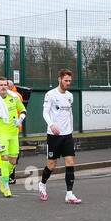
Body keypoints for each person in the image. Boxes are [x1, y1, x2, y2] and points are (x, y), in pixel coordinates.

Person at [39, 69, 81, 204]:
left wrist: (71, 130)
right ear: (59, 79)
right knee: (52, 164)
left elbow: (69, 114)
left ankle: (69, 193)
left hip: (67, 135)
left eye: (69, 81)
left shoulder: (70, 96)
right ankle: (42, 184)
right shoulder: (50, 95)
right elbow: (45, 113)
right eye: (65, 80)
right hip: (54, 136)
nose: (68, 83)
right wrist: (51, 125)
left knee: (70, 162)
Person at [0, 77, 26, 198]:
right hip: (2, 134)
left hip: (13, 133)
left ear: (8, 86)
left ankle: (2, 178)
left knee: (13, 161)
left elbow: (23, 110)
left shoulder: (14, 98)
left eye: (5, 85)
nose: (3, 87)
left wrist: (20, 119)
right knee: (5, 158)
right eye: (0, 85)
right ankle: (6, 185)